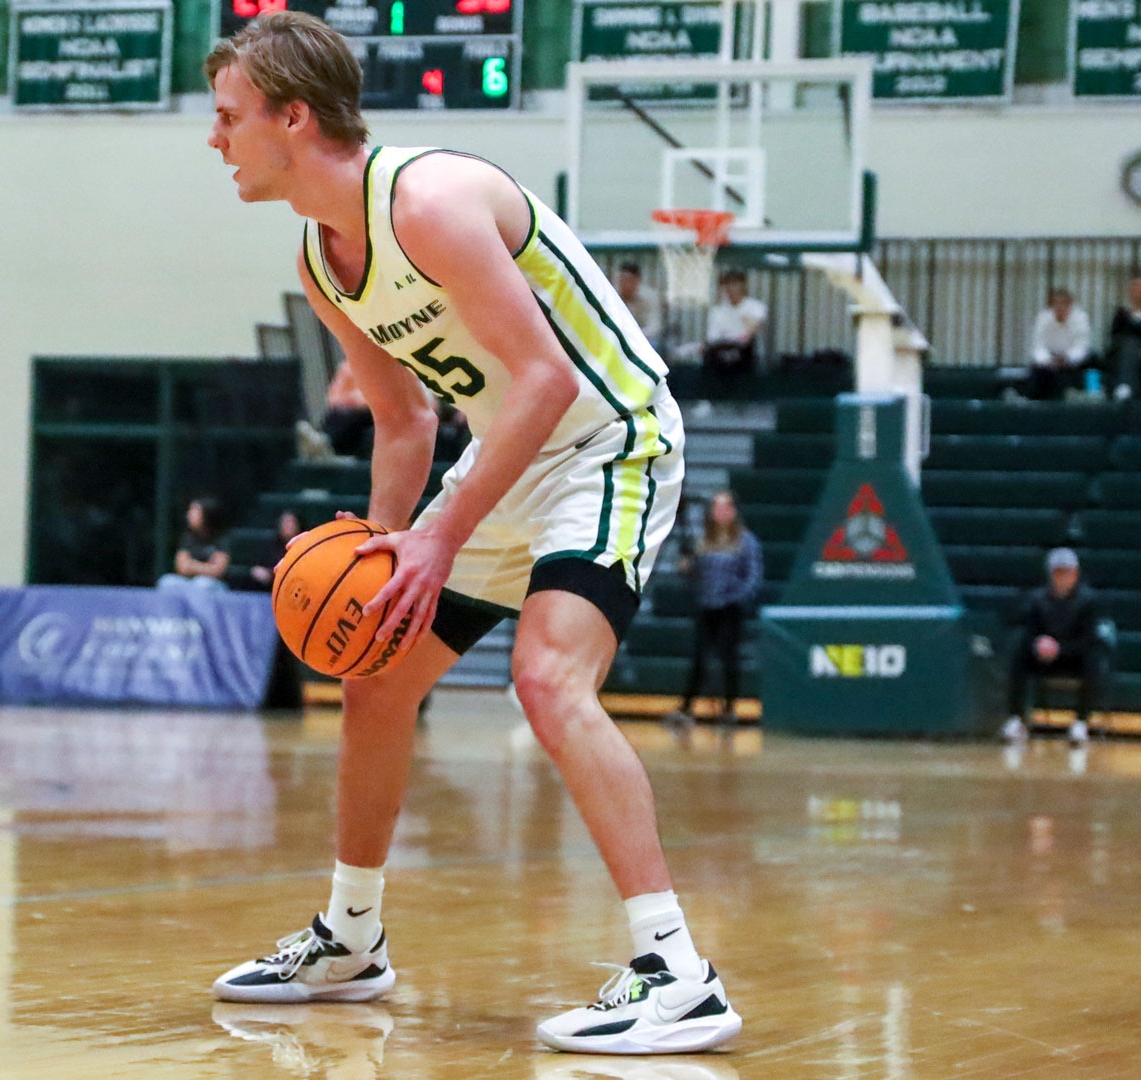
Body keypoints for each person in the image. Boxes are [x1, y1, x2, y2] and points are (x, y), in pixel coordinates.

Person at [205, 13, 736, 1055]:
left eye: (228, 118)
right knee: (377, 675)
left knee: (547, 679)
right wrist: (381, 555)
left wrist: (440, 538)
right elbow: (403, 421)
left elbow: (548, 380)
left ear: (293, 117)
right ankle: (351, 939)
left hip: (606, 438)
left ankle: (677, 971)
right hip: (505, 454)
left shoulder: (431, 203)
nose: (215, 140)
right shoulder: (324, 257)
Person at [665, 492, 762, 729]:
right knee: (699, 659)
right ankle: (686, 708)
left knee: (729, 659)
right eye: (717, 507)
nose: (721, 512)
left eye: (726, 507)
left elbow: (753, 576)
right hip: (706, 608)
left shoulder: (745, 541)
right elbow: (695, 574)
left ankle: (729, 710)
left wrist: (737, 597)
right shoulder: (703, 541)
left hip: (730, 609)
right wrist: (687, 568)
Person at [998, 548, 1105, 747]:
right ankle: (1015, 719)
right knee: (1018, 652)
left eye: (1068, 572)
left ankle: (1080, 722)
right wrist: (1037, 644)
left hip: (1073, 657)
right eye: (1058, 572)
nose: (1063, 577)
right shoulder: (1035, 599)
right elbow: (1028, 629)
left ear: (1076, 574)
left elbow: (1089, 639)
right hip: (1042, 658)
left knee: (1094, 660)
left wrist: (1060, 649)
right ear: (1050, 574)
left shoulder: (1089, 601)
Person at [1022, 288, 1091, 401]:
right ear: (1051, 306)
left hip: (1072, 362)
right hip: (1048, 362)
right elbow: (1038, 346)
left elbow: (1081, 347)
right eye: (1056, 304)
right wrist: (1048, 360)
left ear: (1070, 305)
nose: (1060, 308)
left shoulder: (1080, 319)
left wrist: (1067, 358)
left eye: (1063, 304)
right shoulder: (1043, 319)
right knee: (1036, 372)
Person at [702, 269, 766, 382]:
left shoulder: (756, 307)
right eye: (727, 284)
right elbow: (712, 337)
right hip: (719, 356)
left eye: (735, 284)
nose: (731, 288)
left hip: (745, 357)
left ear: (743, 285)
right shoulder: (717, 311)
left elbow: (751, 330)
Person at [161, 497, 229, 589]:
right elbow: (182, 567)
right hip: (189, 582)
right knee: (167, 581)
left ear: (206, 514)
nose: (189, 515)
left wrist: (191, 564)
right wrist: (207, 567)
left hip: (214, 585)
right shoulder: (187, 538)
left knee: (202, 583)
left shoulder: (221, 538)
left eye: (195, 511)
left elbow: (218, 571)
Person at [615, 262, 663, 345]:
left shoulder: (649, 297)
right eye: (622, 280)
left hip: (644, 339)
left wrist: (633, 335)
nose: (625, 284)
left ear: (637, 281)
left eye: (629, 280)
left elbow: (654, 327)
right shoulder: (612, 295)